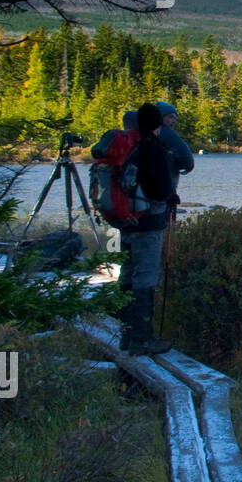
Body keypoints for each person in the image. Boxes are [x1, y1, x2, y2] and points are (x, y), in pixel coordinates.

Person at [92, 103, 173, 355]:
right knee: (145, 278)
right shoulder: (153, 149)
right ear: (157, 124)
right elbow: (161, 190)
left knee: (127, 273)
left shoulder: (129, 148)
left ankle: (126, 335)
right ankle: (142, 339)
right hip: (148, 223)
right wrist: (170, 195)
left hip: (125, 220)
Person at [154, 100, 194, 204]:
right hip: (165, 189)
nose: (173, 121)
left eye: (174, 118)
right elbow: (185, 154)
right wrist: (187, 167)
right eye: (170, 117)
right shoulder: (166, 132)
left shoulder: (144, 132)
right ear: (161, 117)